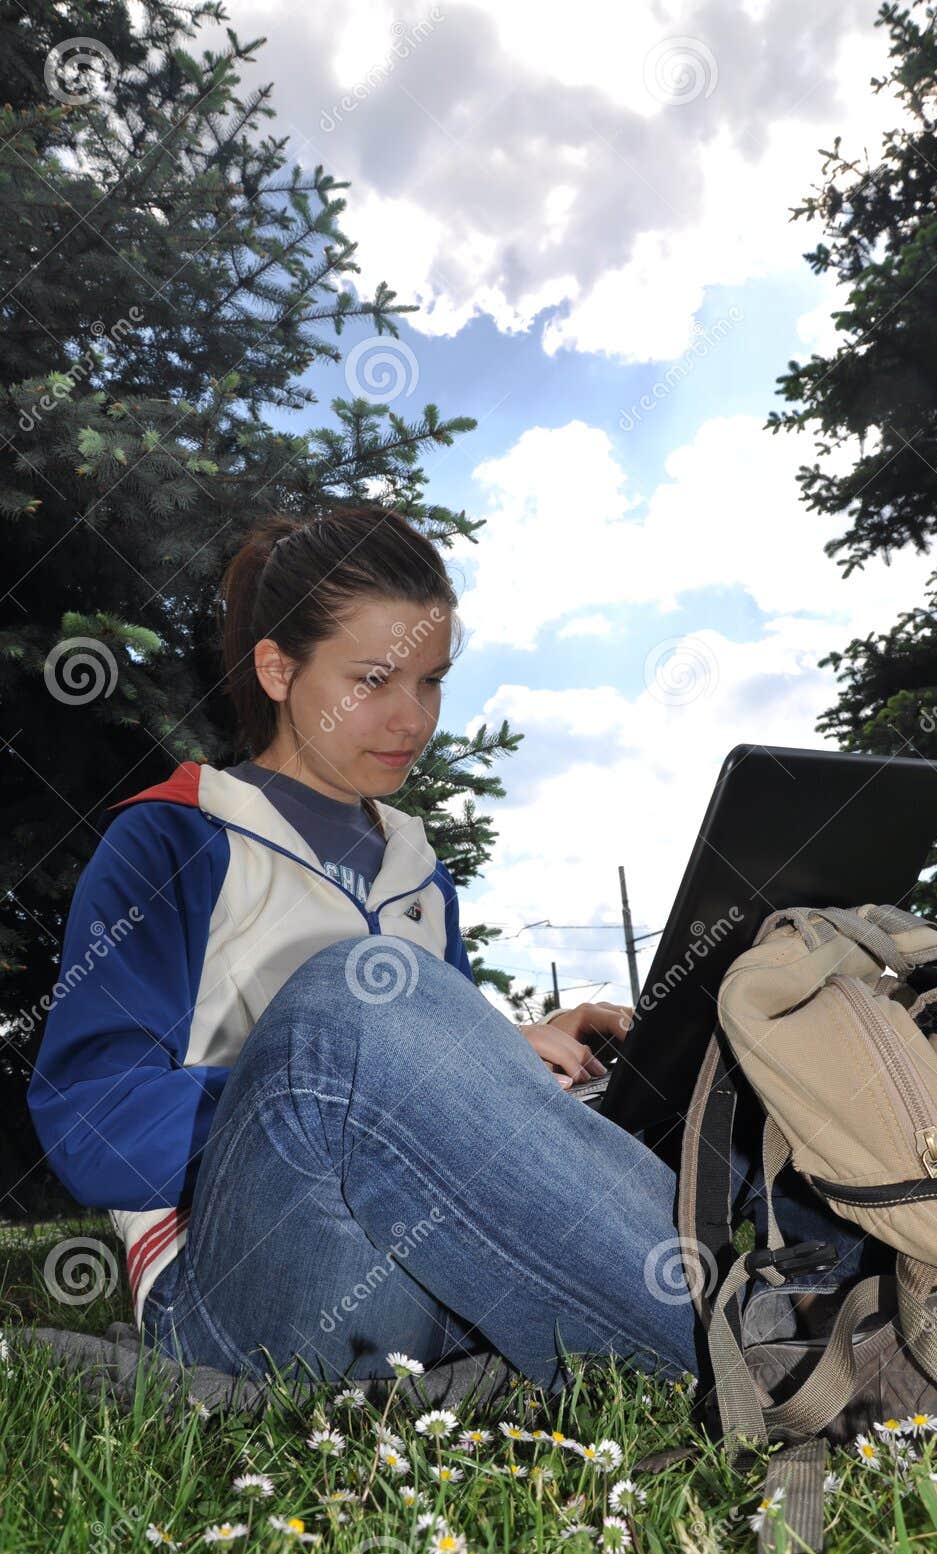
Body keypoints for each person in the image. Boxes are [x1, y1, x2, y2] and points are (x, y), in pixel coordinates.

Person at [27, 505, 704, 1393]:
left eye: (431, 681)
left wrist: (507, 1057)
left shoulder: (425, 876)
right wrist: (345, 1090)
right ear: (277, 668)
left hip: (434, 1264)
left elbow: (426, 1105)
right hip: (244, 1290)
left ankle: (793, 1284)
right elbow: (90, 1125)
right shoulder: (173, 838)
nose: (411, 718)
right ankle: (745, 1346)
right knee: (359, 998)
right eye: (375, 680)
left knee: (673, 1073)